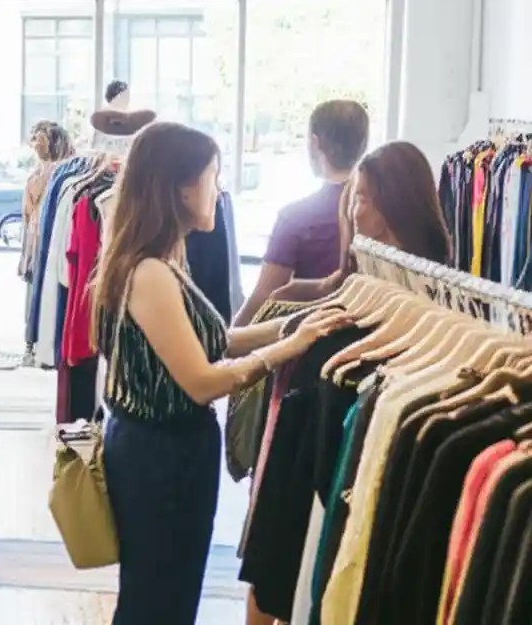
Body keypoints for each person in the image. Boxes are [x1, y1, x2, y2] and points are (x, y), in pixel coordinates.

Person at [89, 122, 353, 625]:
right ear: (181, 187)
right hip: (161, 457)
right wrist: (286, 348)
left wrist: (293, 327)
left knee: (162, 589)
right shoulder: (150, 272)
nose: (218, 187)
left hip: (160, 450)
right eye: (213, 175)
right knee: (159, 596)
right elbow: (204, 380)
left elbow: (213, 341)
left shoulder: (158, 259)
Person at [234, 100, 369, 326]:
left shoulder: (296, 219)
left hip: (311, 341)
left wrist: (227, 340)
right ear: (363, 145)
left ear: (315, 143)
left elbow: (263, 298)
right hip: (373, 335)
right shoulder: (383, 212)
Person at [272, 140, 450, 303]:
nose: (355, 214)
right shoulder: (352, 282)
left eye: (362, 200)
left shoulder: (429, 297)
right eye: (356, 200)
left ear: (393, 205)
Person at [19, 120, 74, 280]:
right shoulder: (41, 172)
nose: (35, 144)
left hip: (47, 239)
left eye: (40, 139)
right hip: (37, 238)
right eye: (34, 139)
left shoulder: (52, 173)